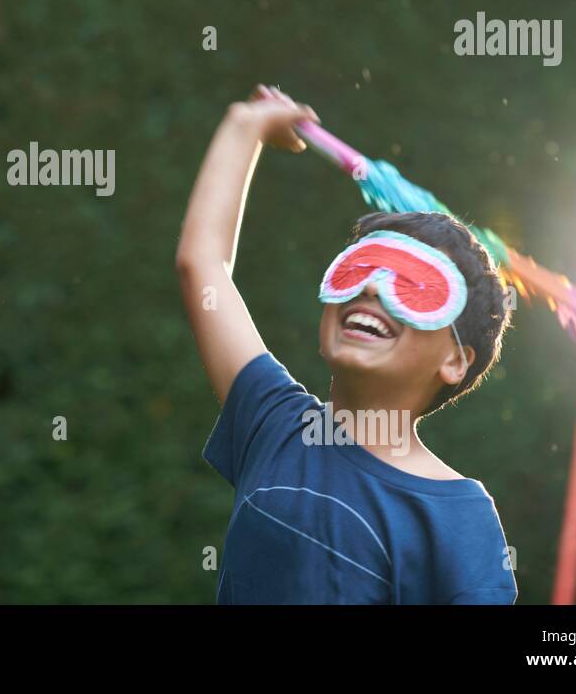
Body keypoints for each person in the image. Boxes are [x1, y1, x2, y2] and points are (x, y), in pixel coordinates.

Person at [175, 84, 517, 604]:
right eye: (362, 267)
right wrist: (247, 126)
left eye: (413, 283)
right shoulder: (274, 423)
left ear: (455, 360)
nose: (373, 287)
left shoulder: (459, 515)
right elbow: (202, 265)